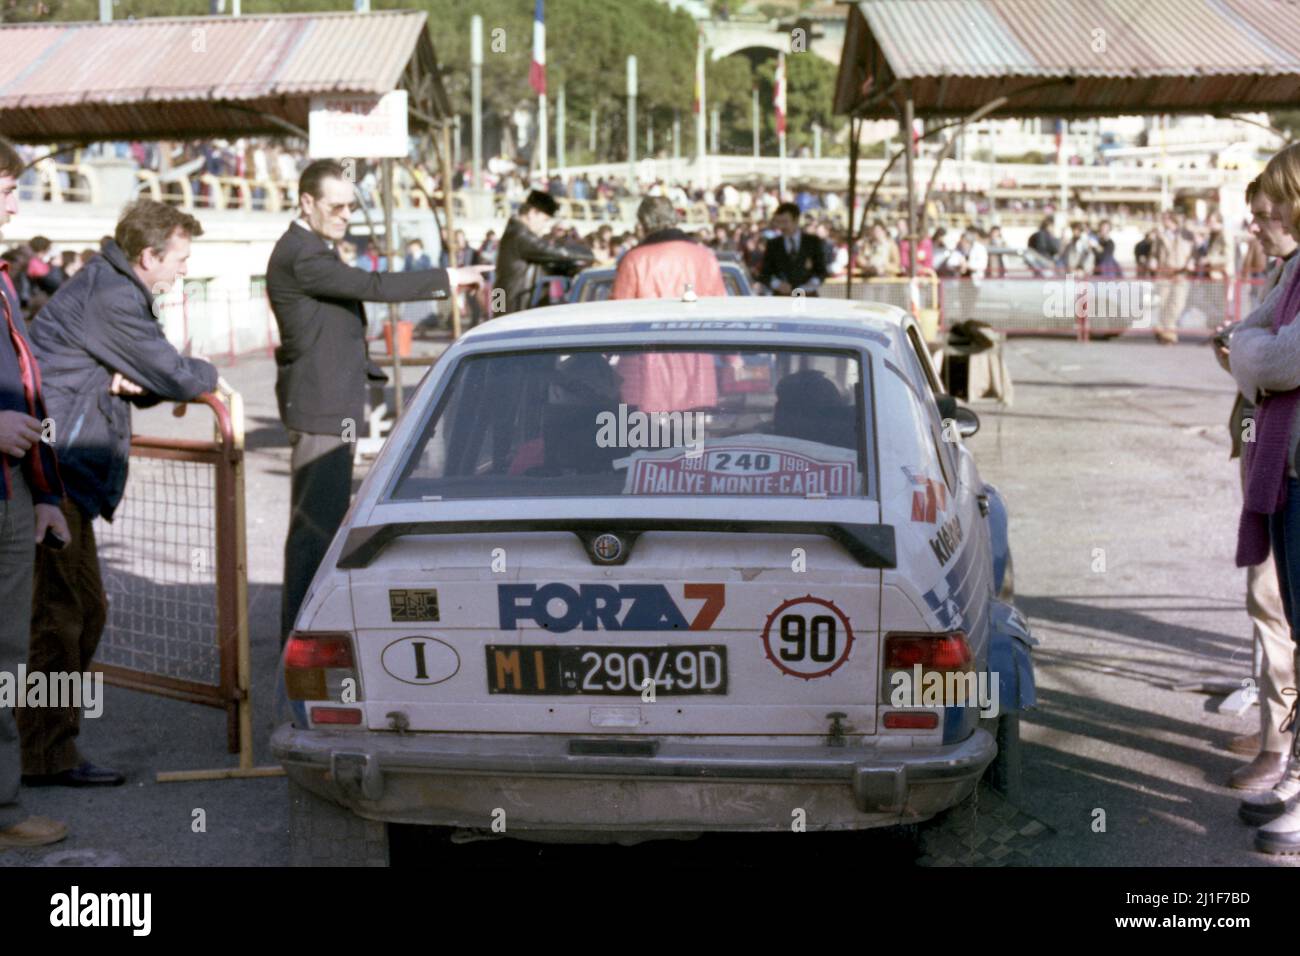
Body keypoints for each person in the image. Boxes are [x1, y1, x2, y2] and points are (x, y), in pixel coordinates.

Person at [21, 198, 218, 788]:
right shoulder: (112, 295)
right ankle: (41, 755)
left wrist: (143, 380)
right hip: (53, 474)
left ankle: (44, 747)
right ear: (147, 255)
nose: (183, 270)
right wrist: (205, 377)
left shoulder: (114, 288)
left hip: (63, 473)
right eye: (179, 260)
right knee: (61, 617)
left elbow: (146, 374)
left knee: (75, 612)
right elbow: (173, 373)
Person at [267, 159, 481, 643]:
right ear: (306, 202)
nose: (345, 215)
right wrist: (447, 278)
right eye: (335, 206)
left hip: (329, 403)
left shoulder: (313, 247)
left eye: (350, 206)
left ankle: (303, 635)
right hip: (320, 407)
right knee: (314, 533)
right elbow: (373, 287)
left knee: (320, 527)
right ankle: (298, 643)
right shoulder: (303, 254)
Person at [1229, 142, 1300, 853]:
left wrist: (1249, 352)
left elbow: (1270, 357)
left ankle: (1287, 764)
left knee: (1281, 611)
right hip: (1283, 466)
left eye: (1270, 202)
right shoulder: (1291, 272)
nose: (1261, 220)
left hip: (1292, 465)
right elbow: (1249, 346)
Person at [0, 137, 69, 845]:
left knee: (6, 657)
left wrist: (44, 492)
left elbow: (29, 387)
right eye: (6, 187)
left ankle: (1, 808)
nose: (17, 200)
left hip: (12, 496)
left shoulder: (1, 280)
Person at [611, 196, 725, 413]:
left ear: (643, 223)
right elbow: (721, 315)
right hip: (698, 369)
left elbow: (618, 319)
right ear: (674, 219)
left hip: (645, 374)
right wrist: (731, 359)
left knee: (648, 443)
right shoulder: (705, 257)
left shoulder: (634, 259)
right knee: (695, 443)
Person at [491, 190, 593, 314]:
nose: (544, 225)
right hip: (512, 305)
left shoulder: (513, 231)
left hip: (503, 298)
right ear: (532, 213)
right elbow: (552, 252)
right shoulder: (520, 235)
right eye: (544, 220)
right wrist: (589, 255)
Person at [758, 202, 828, 296]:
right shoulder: (773, 244)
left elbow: (821, 272)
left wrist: (807, 286)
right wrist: (777, 284)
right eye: (779, 222)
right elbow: (764, 274)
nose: (782, 226)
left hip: (809, 298)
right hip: (781, 299)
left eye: (785, 222)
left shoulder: (813, 242)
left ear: (796, 220)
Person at [1153, 210, 1195, 344]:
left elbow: (1192, 252)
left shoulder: (1186, 234)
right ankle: (1167, 332)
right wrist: (1153, 262)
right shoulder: (1160, 236)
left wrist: (1190, 264)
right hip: (1164, 273)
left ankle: (1167, 330)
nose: (1163, 222)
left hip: (1181, 273)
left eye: (1165, 219)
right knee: (1164, 303)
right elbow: (1154, 253)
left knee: (1177, 304)